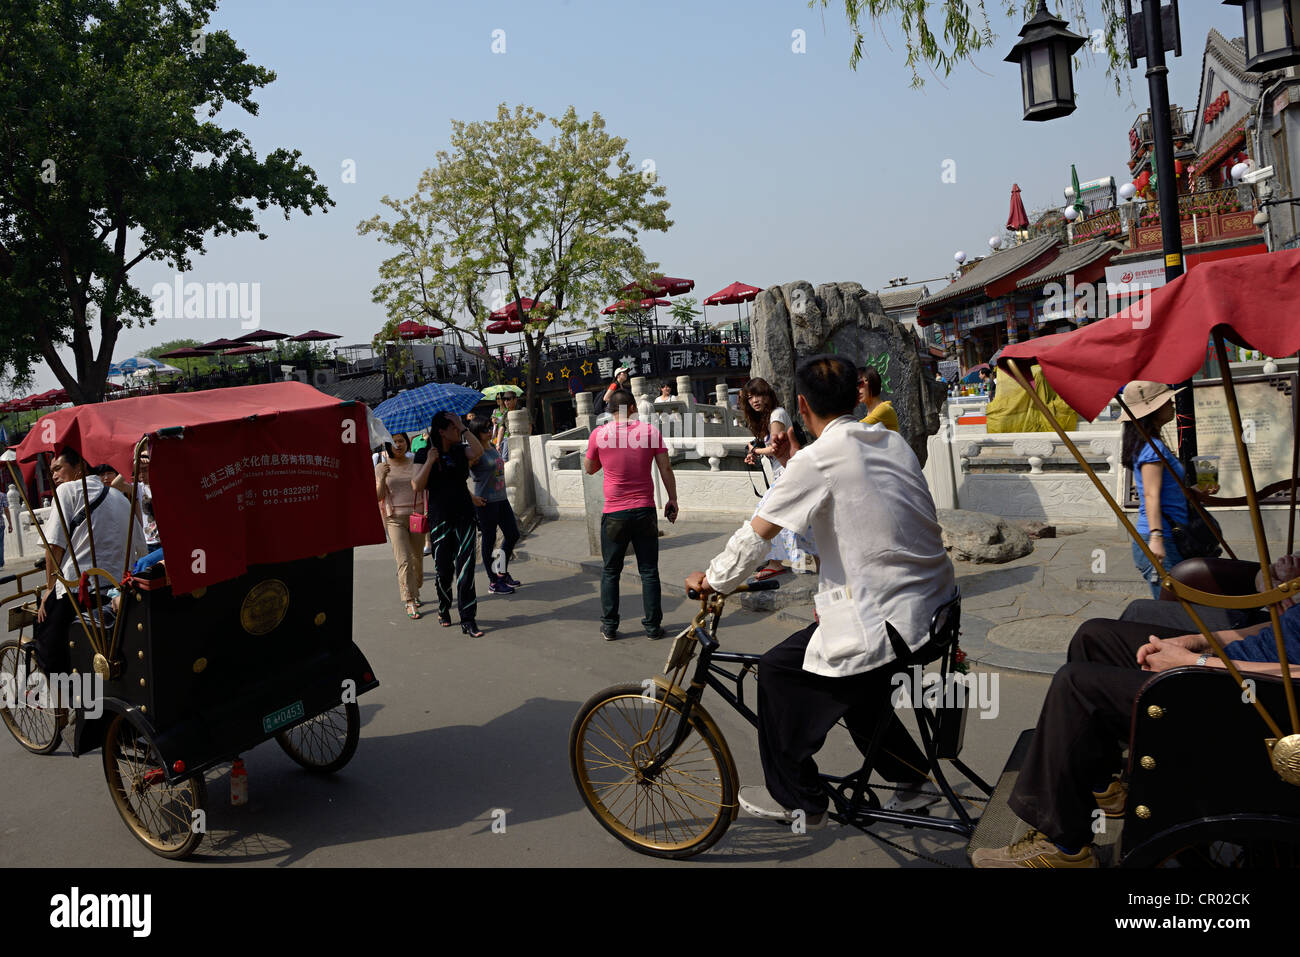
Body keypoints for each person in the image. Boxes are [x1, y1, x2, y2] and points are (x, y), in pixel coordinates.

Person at [685, 355, 957, 825]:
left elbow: (758, 534)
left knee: (776, 672)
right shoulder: (890, 440)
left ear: (801, 405)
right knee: (855, 680)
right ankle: (911, 780)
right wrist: (792, 462)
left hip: (888, 617)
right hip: (936, 608)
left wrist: (713, 580)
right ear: (858, 395)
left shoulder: (817, 459)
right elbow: (826, 525)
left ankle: (800, 800)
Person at [972, 604, 1300, 868]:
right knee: (1094, 636)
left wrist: (1198, 663)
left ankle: (1065, 849)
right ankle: (1103, 788)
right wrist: (1197, 641)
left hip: (1263, 701)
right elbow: (1278, 628)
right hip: (1241, 665)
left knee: (1076, 685)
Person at [32, 447, 147, 678]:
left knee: (45, 642)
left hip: (79, 591)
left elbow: (54, 547)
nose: (53, 475)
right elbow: (140, 547)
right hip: (118, 588)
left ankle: (69, 692)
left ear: (80, 468)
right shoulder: (118, 497)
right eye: (51, 470)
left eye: (58, 468)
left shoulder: (67, 490)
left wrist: (49, 588)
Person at [584, 389, 678, 641]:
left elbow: (590, 469)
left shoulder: (599, 435)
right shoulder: (649, 432)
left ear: (610, 411)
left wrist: (607, 458)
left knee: (611, 570)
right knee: (648, 571)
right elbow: (665, 467)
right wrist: (672, 499)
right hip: (644, 510)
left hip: (614, 513)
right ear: (633, 407)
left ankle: (610, 626)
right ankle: (652, 627)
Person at [1119, 381, 1217, 598]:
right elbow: (1151, 494)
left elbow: (1164, 490)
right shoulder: (1152, 448)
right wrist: (1156, 538)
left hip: (1169, 533)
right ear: (1152, 411)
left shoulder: (1152, 444)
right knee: (1175, 609)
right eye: (1167, 402)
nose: (1172, 404)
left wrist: (1194, 491)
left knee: (1183, 607)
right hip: (1161, 536)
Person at [413, 411, 486, 636]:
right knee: (443, 571)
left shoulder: (459, 450)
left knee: (466, 571)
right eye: (453, 428)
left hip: (464, 515)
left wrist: (463, 427)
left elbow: (479, 451)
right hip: (439, 519)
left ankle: (468, 619)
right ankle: (444, 608)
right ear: (442, 431)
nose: (457, 431)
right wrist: (430, 461)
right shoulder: (423, 453)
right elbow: (416, 485)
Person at [739, 377, 806, 579]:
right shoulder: (768, 417)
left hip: (787, 474)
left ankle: (776, 562)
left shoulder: (776, 414)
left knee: (768, 515)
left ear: (768, 395)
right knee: (792, 520)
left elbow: (775, 448)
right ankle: (790, 561)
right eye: (750, 398)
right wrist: (755, 452)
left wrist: (755, 450)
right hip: (784, 473)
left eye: (759, 395)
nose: (755, 401)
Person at [469, 420, 522, 595]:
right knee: (489, 540)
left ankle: (502, 572)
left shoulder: (492, 446)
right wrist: (473, 498)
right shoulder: (474, 453)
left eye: (489, 428)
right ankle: (494, 581)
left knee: (513, 534)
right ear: (476, 434)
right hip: (485, 502)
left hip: (501, 499)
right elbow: (459, 477)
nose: (489, 431)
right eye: (484, 430)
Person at [376, 432, 424, 619]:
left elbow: (421, 487)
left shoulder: (415, 464)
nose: (398, 445)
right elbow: (378, 496)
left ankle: (416, 587)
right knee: (403, 560)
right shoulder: (381, 466)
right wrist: (381, 478)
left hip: (417, 516)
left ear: (407, 443)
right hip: (394, 518)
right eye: (394, 442)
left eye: (401, 441)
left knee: (417, 559)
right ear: (388, 445)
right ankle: (409, 600)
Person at [858, 367, 899, 432]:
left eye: (860, 384)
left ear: (871, 381)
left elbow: (857, 427)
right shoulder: (870, 413)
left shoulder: (884, 409)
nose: (857, 390)